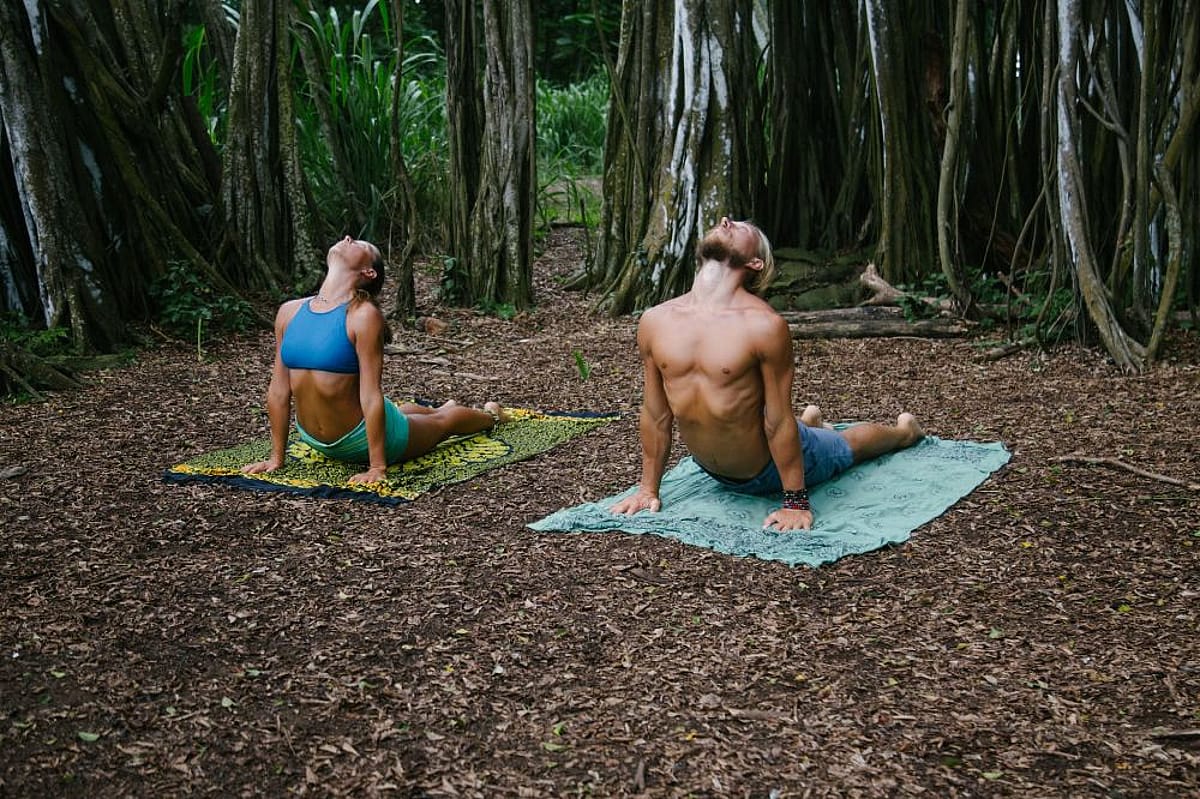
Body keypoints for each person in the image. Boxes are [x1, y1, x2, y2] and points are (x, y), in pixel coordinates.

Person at [610, 217, 924, 532]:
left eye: (742, 228)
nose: (725, 221)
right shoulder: (655, 320)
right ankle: (812, 423)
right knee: (804, 431)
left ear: (755, 262)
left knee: (844, 447)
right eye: (727, 221)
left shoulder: (764, 326)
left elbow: (777, 419)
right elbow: (655, 413)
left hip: (767, 469)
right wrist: (647, 490)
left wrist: (796, 503)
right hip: (710, 468)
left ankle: (903, 432)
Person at [242, 236, 507, 484]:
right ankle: (431, 408)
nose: (347, 238)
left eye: (358, 243)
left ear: (368, 272)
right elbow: (278, 390)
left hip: (360, 439)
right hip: (313, 438)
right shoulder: (289, 312)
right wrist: (276, 458)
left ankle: (492, 415)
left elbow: (370, 394)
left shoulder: (363, 315)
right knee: (403, 413)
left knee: (444, 422)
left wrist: (377, 466)